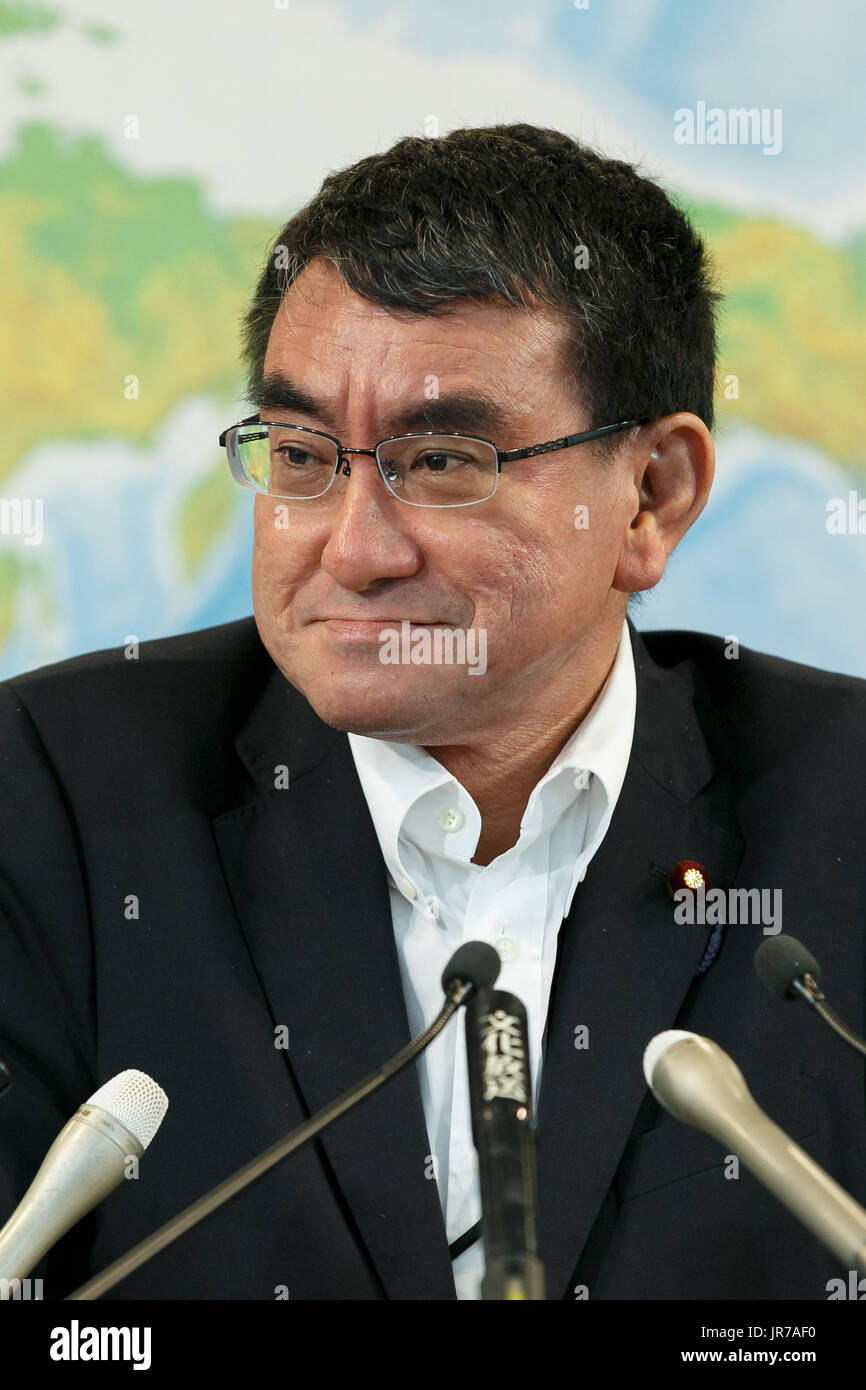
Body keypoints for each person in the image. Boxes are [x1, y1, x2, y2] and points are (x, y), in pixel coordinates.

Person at [1, 123, 864, 1301]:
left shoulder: (841, 808)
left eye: (444, 460)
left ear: (650, 497)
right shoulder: (52, 793)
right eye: (302, 454)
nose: (350, 550)